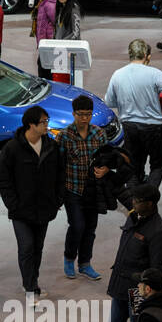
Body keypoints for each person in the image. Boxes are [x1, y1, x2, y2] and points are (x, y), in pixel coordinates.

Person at [0, 105, 63, 298]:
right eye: (44, 122)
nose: (47, 125)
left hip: (44, 208)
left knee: (37, 249)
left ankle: (32, 281)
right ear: (31, 125)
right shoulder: (13, 148)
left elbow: (60, 174)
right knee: (26, 247)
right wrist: (12, 204)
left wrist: (57, 200)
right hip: (21, 211)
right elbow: (3, 179)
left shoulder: (51, 147)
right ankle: (31, 288)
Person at [103, 182, 162, 322]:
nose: (133, 202)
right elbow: (121, 193)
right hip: (119, 288)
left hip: (137, 293)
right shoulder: (134, 216)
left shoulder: (158, 232)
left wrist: (137, 280)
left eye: (137, 200)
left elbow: (159, 273)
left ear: (150, 204)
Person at [105, 40, 162, 192]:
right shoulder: (154, 73)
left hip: (129, 127)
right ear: (147, 56)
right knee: (157, 164)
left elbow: (109, 101)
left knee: (132, 165)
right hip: (152, 127)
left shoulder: (118, 74)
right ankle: (149, 197)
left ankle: (136, 201)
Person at [60, 94, 108, 282]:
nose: (84, 118)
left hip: (93, 191)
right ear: (73, 114)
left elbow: (107, 158)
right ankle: (69, 258)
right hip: (72, 189)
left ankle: (85, 264)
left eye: (88, 114)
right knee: (77, 226)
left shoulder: (99, 134)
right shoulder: (65, 136)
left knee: (90, 229)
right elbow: (59, 164)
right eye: (80, 114)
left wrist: (105, 169)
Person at [33, 0, 57, 79]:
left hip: (48, 44)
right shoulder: (44, 0)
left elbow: (56, 22)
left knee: (44, 69)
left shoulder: (49, 4)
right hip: (45, 43)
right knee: (42, 66)